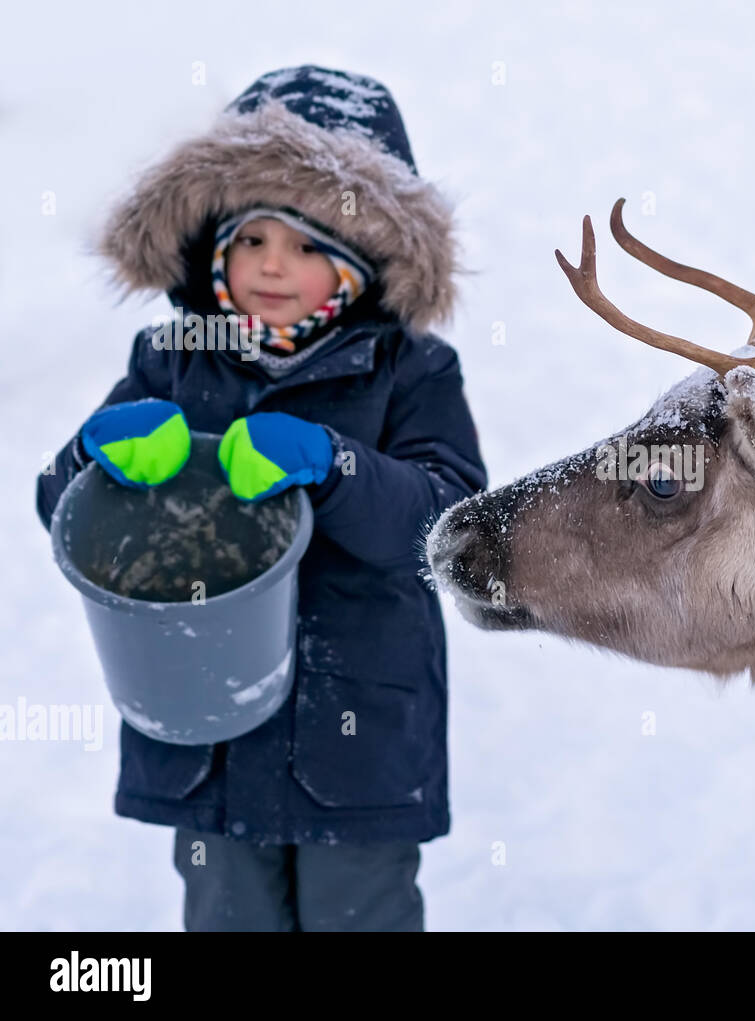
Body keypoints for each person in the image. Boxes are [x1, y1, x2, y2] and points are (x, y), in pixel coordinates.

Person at [34, 65, 488, 931]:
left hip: (355, 743)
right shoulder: (172, 361)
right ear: (214, 245)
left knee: (359, 915)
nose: (273, 265)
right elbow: (66, 510)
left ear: (364, 262)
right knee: (226, 914)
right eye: (252, 240)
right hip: (206, 735)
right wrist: (94, 455)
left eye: (310, 244)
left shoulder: (411, 373)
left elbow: (446, 527)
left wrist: (335, 465)